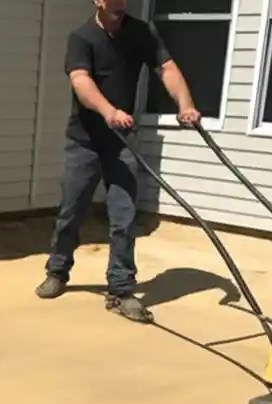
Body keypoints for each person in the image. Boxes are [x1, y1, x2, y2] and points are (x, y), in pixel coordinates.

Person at [35, 0, 202, 323]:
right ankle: (57, 271)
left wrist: (186, 105)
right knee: (71, 211)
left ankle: (121, 288)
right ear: (98, 1)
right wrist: (109, 111)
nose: (120, 6)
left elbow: (166, 68)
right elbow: (81, 81)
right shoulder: (81, 38)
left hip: (122, 142)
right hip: (83, 142)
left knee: (124, 216)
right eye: (114, 0)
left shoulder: (140, 32)